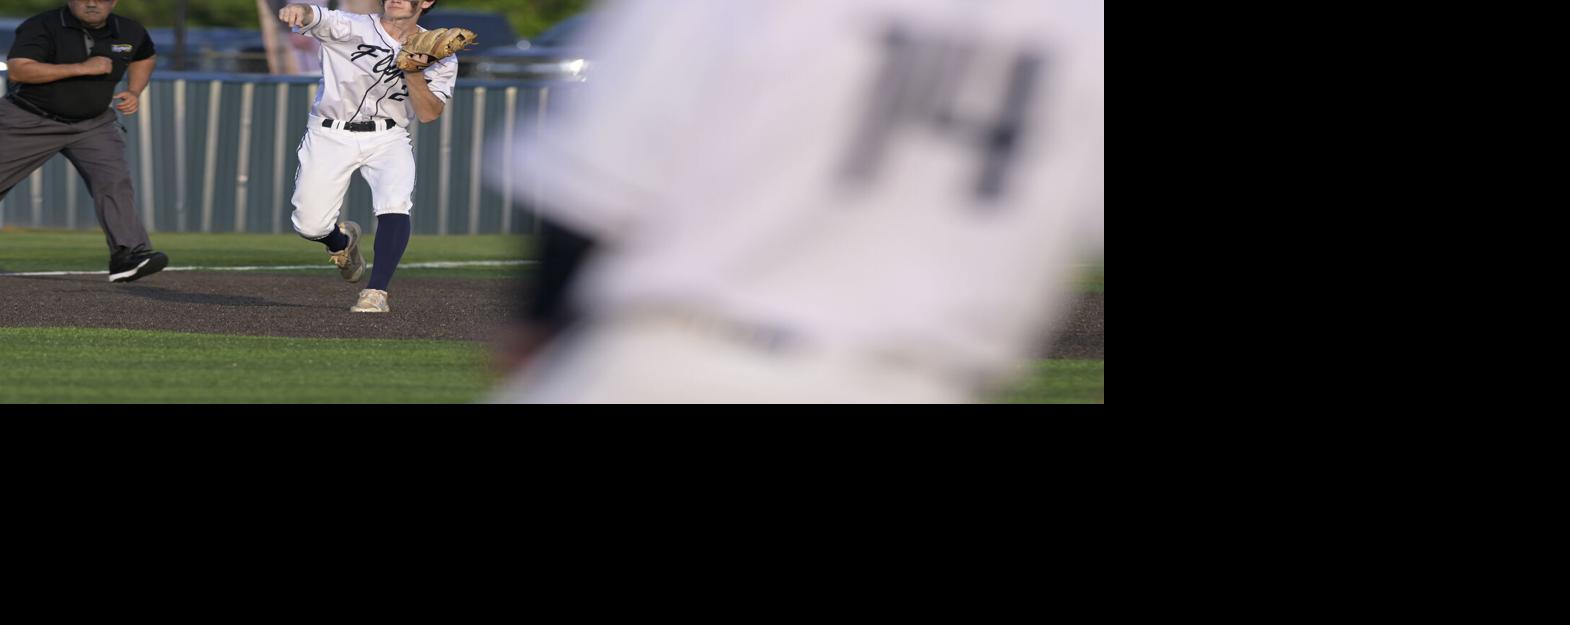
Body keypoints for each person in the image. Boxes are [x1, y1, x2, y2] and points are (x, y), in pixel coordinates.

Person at [492, 0, 1105, 403]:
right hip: (927, 380)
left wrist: (543, 327)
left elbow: (592, 188)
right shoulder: (1083, 26)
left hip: (686, 362)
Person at [0, 0, 167, 284]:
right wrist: (83, 68)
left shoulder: (128, 29)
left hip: (92, 124)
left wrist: (134, 90)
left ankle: (126, 255)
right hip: (28, 119)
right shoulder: (42, 25)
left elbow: (145, 56)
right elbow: (19, 70)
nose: (93, 3)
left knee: (114, 181)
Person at [278, 0, 461, 313]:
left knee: (395, 202)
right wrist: (299, 10)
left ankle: (376, 291)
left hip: (388, 135)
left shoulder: (439, 52)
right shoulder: (352, 26)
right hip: (329, 132)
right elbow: (315, 15)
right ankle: (340, 243)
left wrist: (415, 71)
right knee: (309, 226)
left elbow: (430, 114)